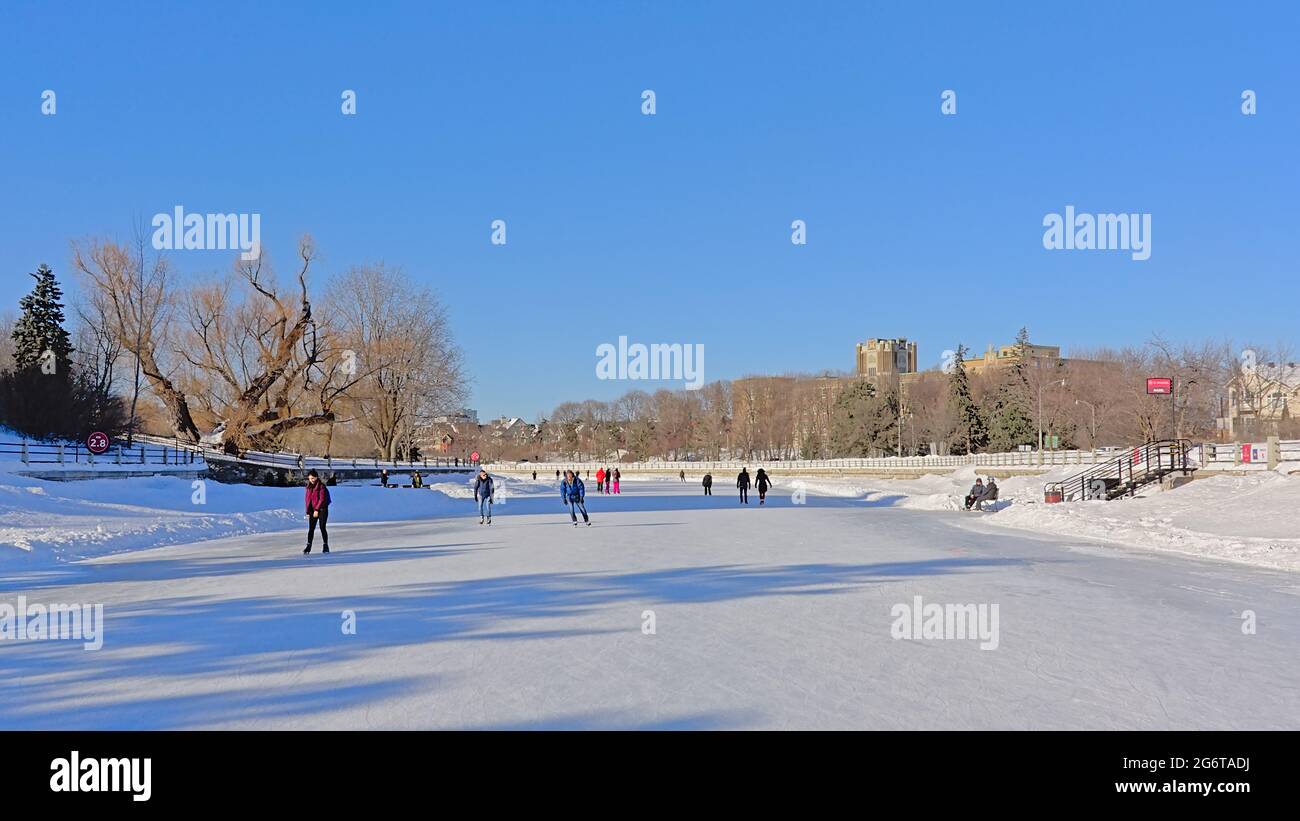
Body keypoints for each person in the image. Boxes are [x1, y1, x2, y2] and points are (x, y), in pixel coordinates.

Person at [303, 469, 331, 554]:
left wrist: (316, 510)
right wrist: (308, 511)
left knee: (322, 527)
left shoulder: (321, 486)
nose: (311, 480)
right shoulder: (308, 487)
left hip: (322, 509)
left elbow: (322, 499)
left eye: (313, 478)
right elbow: (307, 500)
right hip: (312, 511)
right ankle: (308, 546)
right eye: (310, 478)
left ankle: (325, 545)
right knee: (311, 529)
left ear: (316, 477)